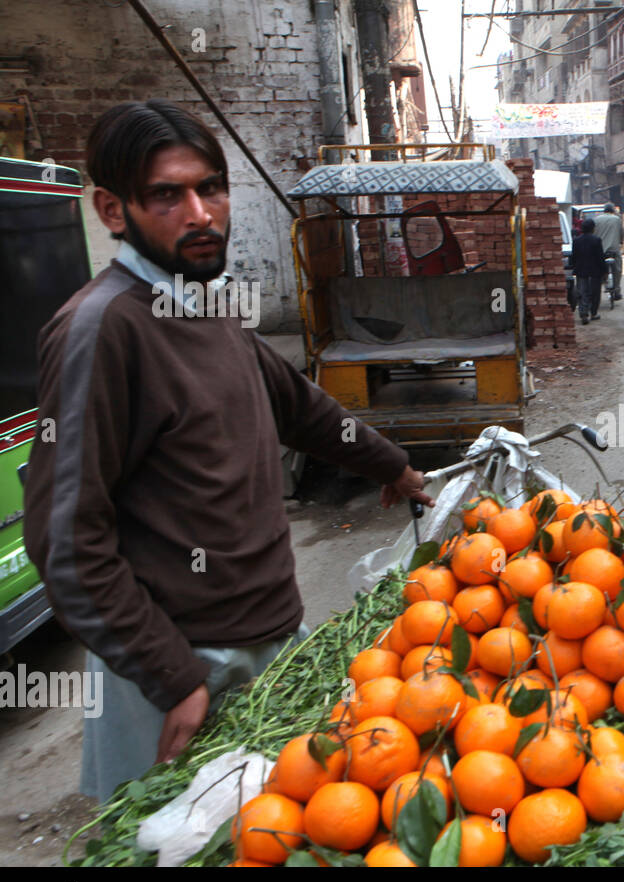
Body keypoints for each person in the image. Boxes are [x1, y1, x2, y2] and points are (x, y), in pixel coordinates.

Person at [21, 100, 434, 802]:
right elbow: (64, 540)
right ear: (112, 211)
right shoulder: (102, 329)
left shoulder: (202, 305)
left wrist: (390, 464)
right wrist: (171, 677)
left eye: (210, 187)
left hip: (268, 643)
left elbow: (299, 408)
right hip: (176, 672)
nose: (200, 212)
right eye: (166, 195)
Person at [571, 218, 607, 323]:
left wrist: (574, 267)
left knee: (582, 292)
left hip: (581, 271)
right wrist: (604, 270)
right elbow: (600, 257)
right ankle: (593, 313)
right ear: (593, 228)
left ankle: (583, 314)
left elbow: (574, 257)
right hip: (595, 272)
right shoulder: (596, 240)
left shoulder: (576, 241)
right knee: (595, 293)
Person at [593, 203, 624, 301]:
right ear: (613, 211)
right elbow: (621, 233)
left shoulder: (596, 219)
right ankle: (617, 291)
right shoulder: (617, 219)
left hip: (600, 250)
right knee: (617, 269)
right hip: (614, 249)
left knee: (597, 270)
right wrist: (621, 241)